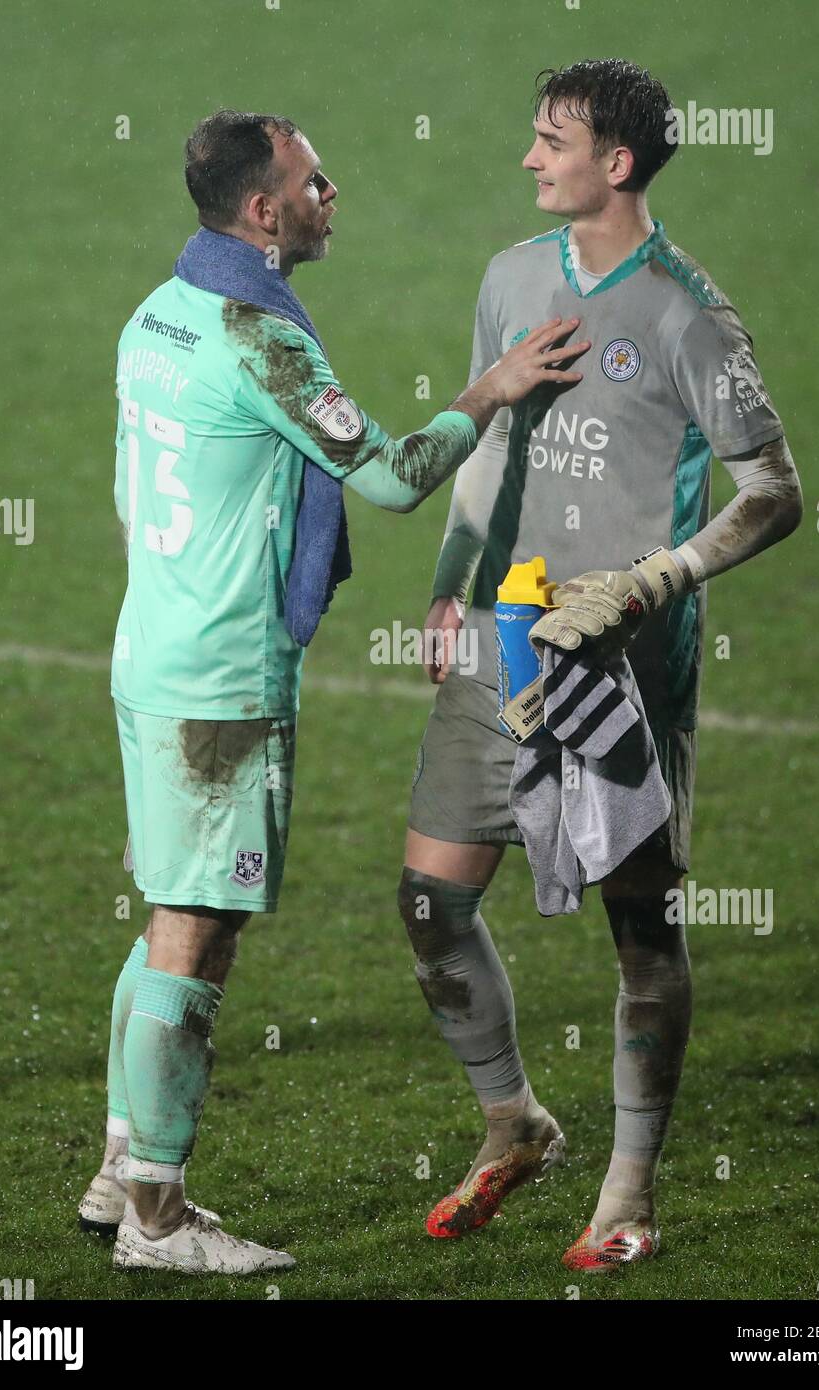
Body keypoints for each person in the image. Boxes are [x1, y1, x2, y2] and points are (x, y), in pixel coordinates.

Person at [78, 108, 589, 1276]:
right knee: (200, 931)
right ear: (262, 211)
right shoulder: (260, 339)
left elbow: (124, 488)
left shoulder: (154, 314)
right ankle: (158, 1217)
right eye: (314, 181)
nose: (330, 192)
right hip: (219, 683)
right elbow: (396, 476)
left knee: (168, 907)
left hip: (150, 648)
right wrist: (493, 386)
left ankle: (122, 1164)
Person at [399, 59, 802, 1272]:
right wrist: (448, 573)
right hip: (501, 640)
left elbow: (773, 492)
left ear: (612, 163)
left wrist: (650, 581)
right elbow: (488, 445)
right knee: (429, 902)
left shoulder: (687, 314)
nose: (528, 159)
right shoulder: (511, 279)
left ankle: (624, 1192)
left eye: (549, 141)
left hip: (620, 668)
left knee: (639, 933)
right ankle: (514, 1121)